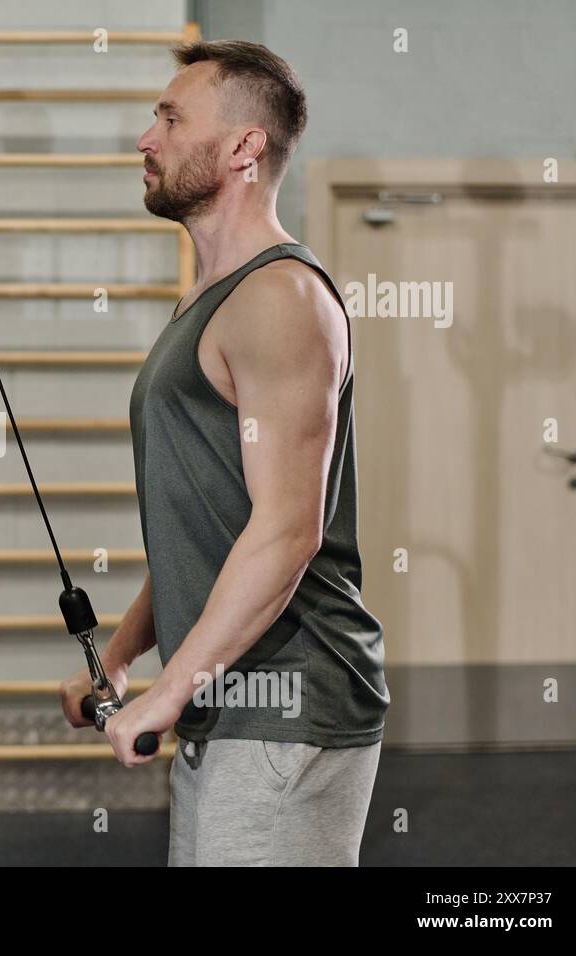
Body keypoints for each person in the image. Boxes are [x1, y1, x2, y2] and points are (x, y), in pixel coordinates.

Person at [59, 39, 389, 866]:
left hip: (289, 702)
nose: (147, 138)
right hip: (227, 698)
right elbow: (206, 524)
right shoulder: (209, 299)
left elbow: (285, 533)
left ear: (245, 147)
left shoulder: (280, 299)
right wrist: (128, 654)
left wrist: (169, 691)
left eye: (171, 118)